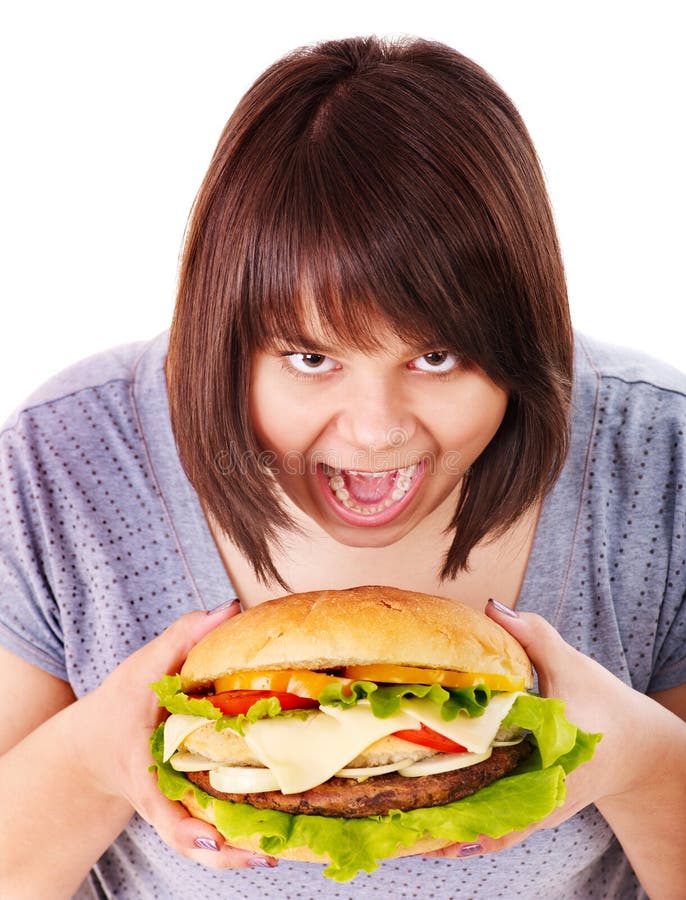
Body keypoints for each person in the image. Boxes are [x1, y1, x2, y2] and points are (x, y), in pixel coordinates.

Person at [0, 35, 684, 900]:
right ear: (222, 339)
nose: (372, 432)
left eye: (437, 357)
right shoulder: (68, 458)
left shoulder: (659, 455)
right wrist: (90, 762)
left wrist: (642, 757)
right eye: (310, 358)